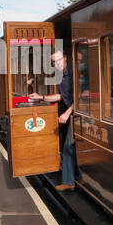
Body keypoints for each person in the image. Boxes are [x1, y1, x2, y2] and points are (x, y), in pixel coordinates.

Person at [29, 48, 77, 191]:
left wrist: (67, 113)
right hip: (72, 113)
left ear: (65, 58)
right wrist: (41, 97)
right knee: (69, 146)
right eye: (54, 61)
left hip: (79, 114)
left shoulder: (73, 74)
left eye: (59, 60)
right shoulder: (61, 76)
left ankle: (70, 182)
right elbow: (60, 97)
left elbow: (80, 97)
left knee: (68, 147)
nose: (56, 63)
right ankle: (75, 179)